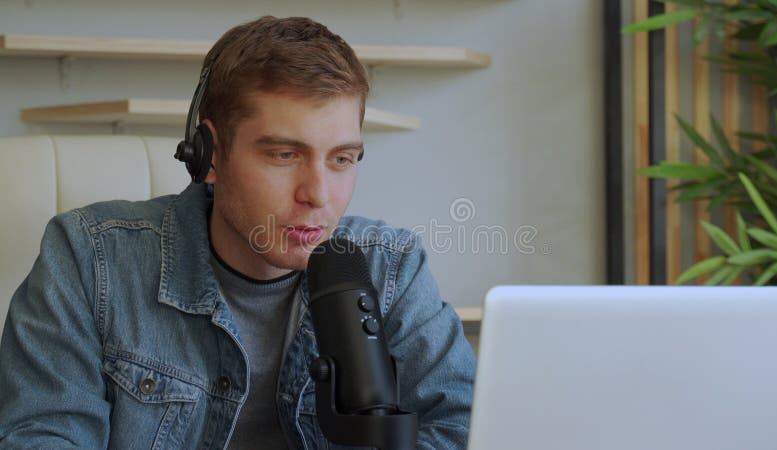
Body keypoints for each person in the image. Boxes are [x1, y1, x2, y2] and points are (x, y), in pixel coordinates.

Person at [0, 15, 476, 450]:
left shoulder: (391, 267)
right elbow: (44, 438)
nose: (318, 194)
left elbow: (464, 428)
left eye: (342, 159)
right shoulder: (88, 259)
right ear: (210, 154)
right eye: (284, 155)